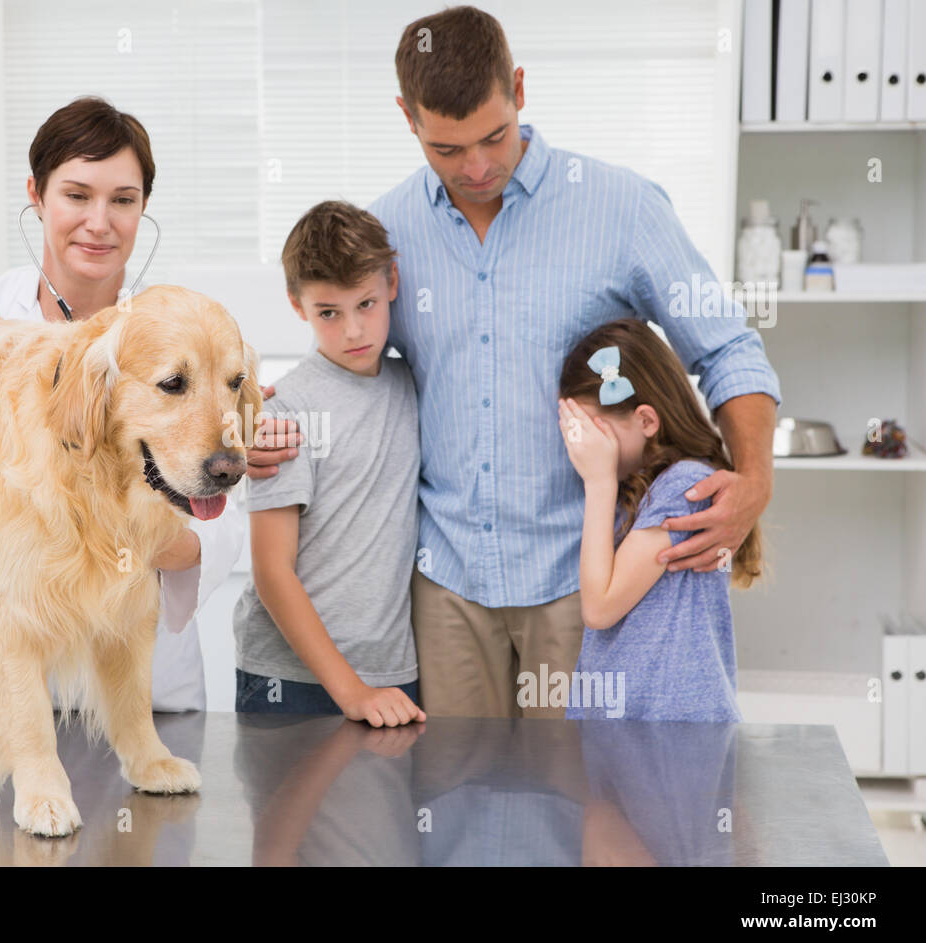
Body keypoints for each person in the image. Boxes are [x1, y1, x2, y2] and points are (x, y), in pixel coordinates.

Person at [247, 6, 781, 719]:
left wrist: (755, 481)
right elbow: (345, 358)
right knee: (451, 815)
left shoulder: (621, 209)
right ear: (406, 117)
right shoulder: (388, 234)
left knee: (571, 812)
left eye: (493, 137)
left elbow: (727, 348)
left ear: (520, 89)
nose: (475, 167)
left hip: (576, 575)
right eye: (446, 148)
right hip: (444, 587)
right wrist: (266, 418)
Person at [0, 96, 245, 712]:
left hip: (143, 696)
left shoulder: (191, 336)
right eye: (77, 195)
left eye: (123, 199)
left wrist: (109, 523)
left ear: (144, 206)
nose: (100, 222)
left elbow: (216, 531)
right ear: (36, 194)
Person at [232, 201, 425, 728]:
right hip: (292, 680)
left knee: (385, 812)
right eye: (329, 313)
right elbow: (272, 573)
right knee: (288, 813)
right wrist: (353, 692)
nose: (354, 331)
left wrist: (371, 687)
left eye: (366, 303)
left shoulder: (411, 386)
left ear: (393, 282)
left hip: (388, 669)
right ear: (298, 306)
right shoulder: (284, 411)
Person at [557, 319, 759, 722]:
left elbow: (599, 609)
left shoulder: (686, 489)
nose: (580, 447)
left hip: (671, 734)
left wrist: (598, 482)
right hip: (634, 733)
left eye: (592, 430)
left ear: (647, 421)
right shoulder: (642, 491)